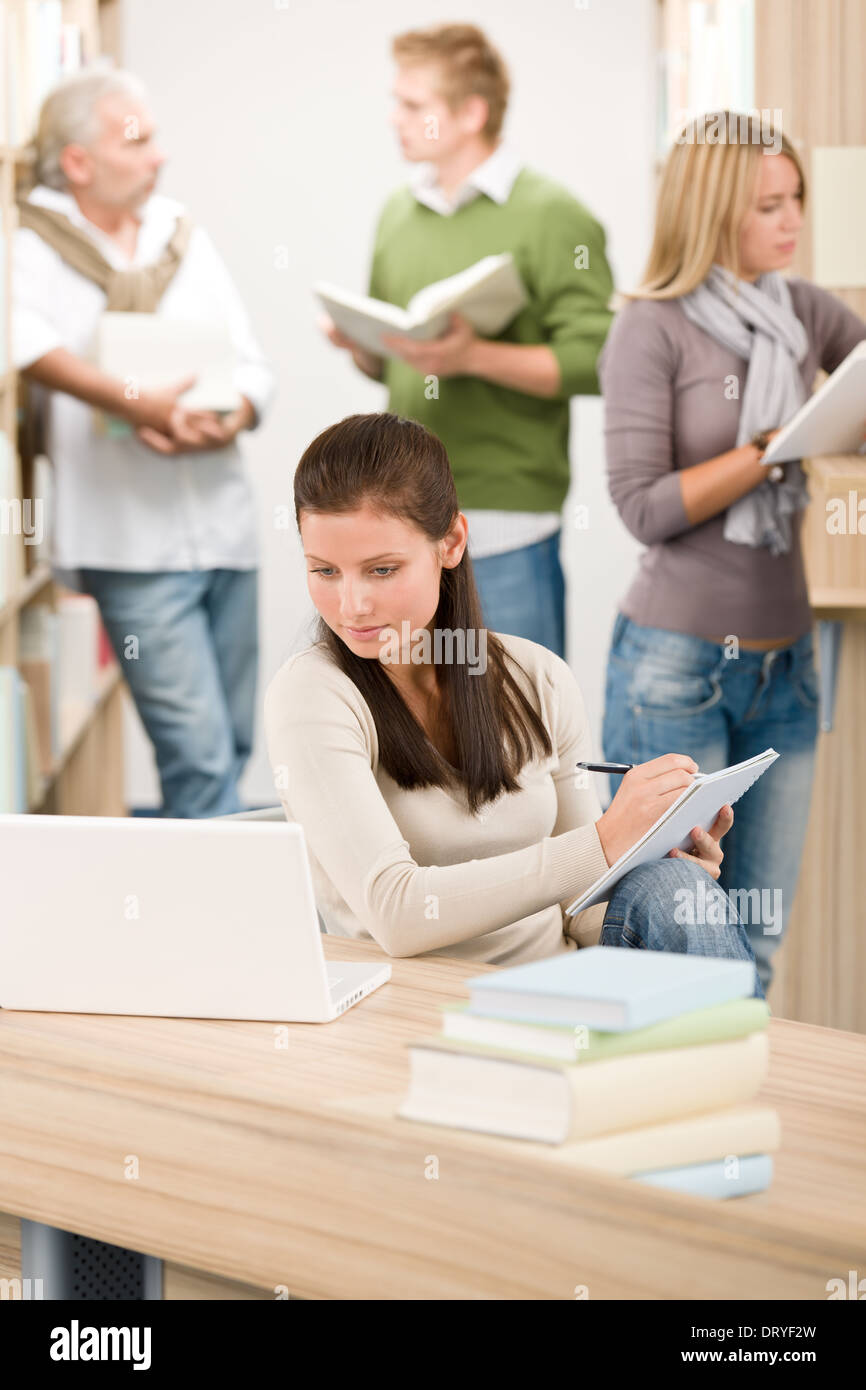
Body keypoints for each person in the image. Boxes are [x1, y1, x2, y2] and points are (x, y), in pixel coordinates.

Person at [264, 412, 762, 995]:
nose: (350, 606)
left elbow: (582, 910)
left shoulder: (538, 678)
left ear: (450, 542)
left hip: (561, 994)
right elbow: (397, 913)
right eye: (324, 571)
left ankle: (735, 1076)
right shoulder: (313, 696)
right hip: (412, 1008)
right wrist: (603, 842)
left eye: (381, 570)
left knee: (677, 893)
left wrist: (654, 868)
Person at [598, 111, 866, 992]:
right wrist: (768, 452)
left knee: (759, 949)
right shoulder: (651, 327)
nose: (792, 222)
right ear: (713, 211)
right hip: (675, 672)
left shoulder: (804, 309)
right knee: (683, 943)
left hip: (787, 670)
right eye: (768, 205)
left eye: (796, 201)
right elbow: (642, 506)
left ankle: (738, 1129)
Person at [12, 66, 275, 818]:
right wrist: (138, 402)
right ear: (79, 162)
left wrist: (233, 414)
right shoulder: (30, 239)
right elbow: (24, 344)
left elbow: (253, 365)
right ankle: (230, 922)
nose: (160, 156)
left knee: (230, 746)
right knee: (196, 759)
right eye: (139, 140)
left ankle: (218, 903)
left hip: (224, 530)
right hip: (131, 547)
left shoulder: (179, 233)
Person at [321, 22, 614, 659]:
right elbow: (397, 363)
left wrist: (471, 357)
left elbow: (598, 360)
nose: (395, 118)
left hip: (503, 524)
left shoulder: (551, 213)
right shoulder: (399, 212)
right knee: (418, 737)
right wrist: (365, 345)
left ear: (471, 112)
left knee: (520, 731)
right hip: (400, 518)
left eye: (413, 105)